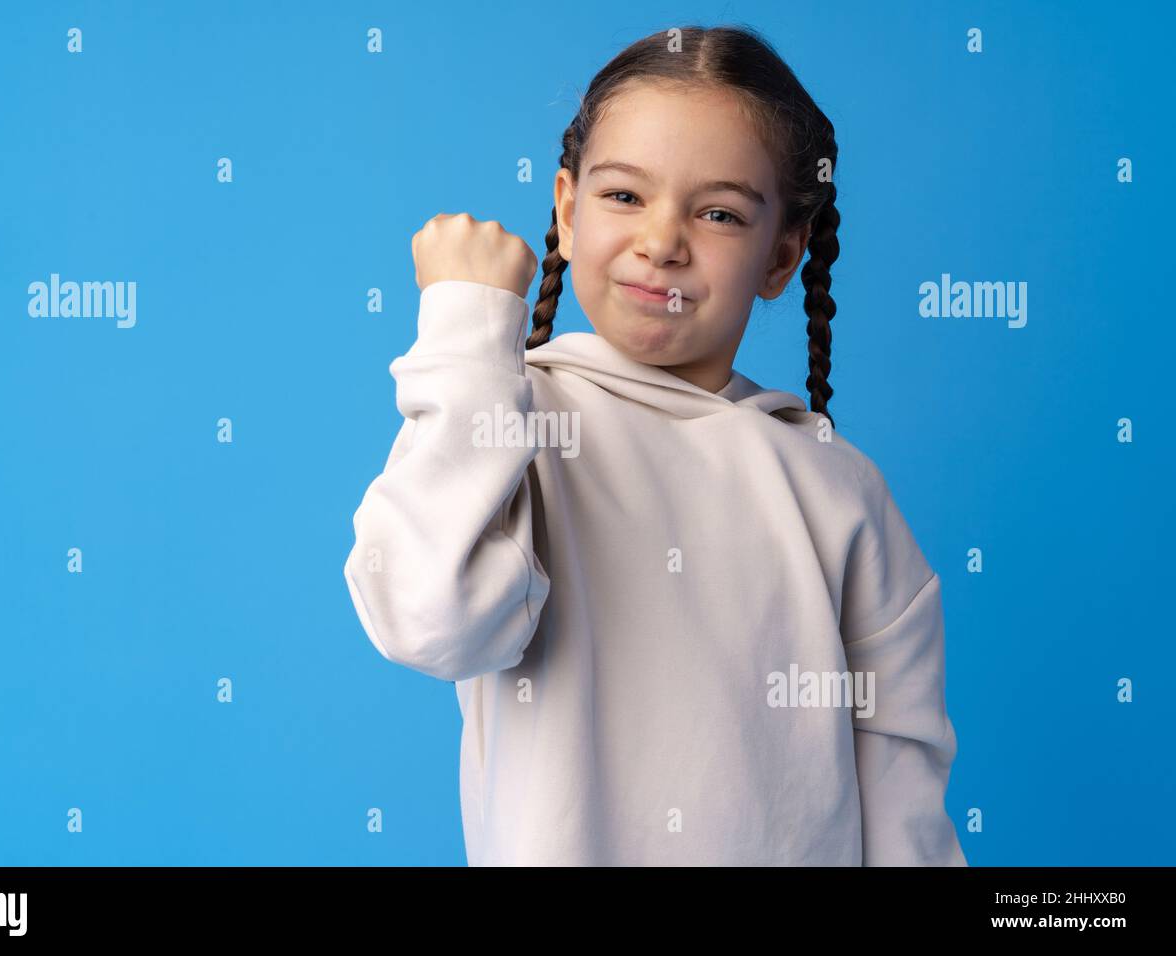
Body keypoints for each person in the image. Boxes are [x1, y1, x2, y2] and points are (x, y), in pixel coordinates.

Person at [344, 24, 967, 866]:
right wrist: (463, 333)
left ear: (782, 253)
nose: (662, 242)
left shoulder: (841, 491)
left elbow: (902, 794)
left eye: (717, 213)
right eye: (624, 197)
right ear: (566, 210)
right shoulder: (510, 427)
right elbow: (432, 619)